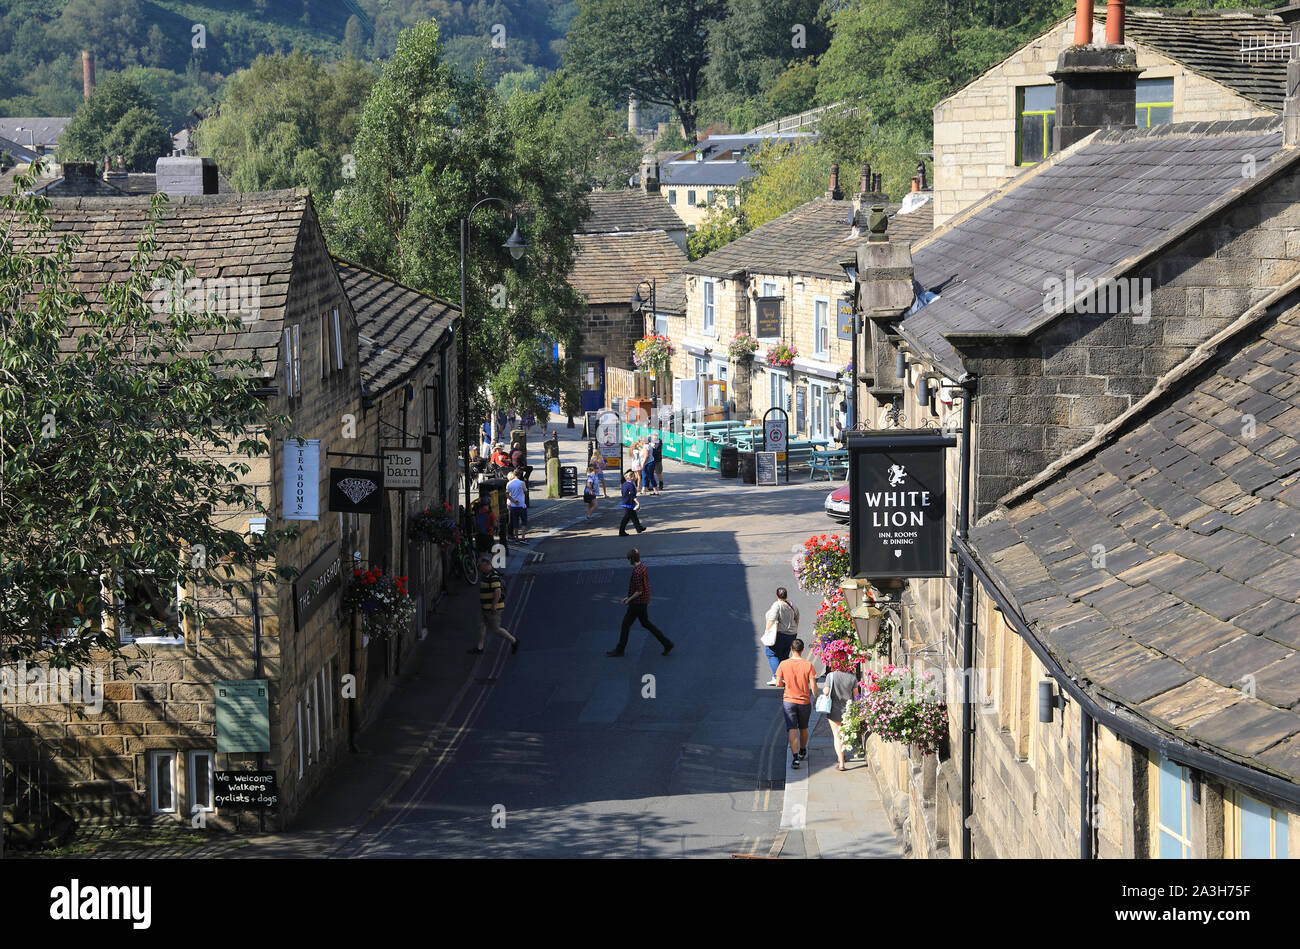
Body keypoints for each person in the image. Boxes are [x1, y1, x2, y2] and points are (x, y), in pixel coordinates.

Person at [606, 548, 673, 657]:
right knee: (646, 623)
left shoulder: (637, 571)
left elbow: (639, 590)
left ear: (632, 559)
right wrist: (627, 596)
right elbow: (641, 588)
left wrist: (629, 599)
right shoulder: (642, 567)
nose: (629, 561)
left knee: (625, 625)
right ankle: (667, 643)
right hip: (644, 601)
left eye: (629, 559)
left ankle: (620, 650)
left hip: (637, 603)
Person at [774, 639, 818, 770]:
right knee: (803, 728)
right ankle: (803, 751)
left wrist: (785, 684)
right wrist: (816, 698)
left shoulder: (783, 664)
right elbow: (814, 686)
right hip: (804, 701)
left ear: (791, 649)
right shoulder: (808, 665)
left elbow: (778, 683)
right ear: (802, 650)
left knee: (791, 729)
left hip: (789, 701)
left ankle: (795, 758)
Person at [469, 556, 519, 655]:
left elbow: (498, 591)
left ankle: (514, 641)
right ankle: (480, 647)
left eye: (480, 566)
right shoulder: (485, 575)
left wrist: (494, 606)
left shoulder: (493, 576)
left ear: (487, 565)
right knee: (481, 625)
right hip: (484, 607)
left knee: (496, 629)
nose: (479, 568)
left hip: (493, 608)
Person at [820, 666, 860, 771]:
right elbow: (856, 696)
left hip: (834, 710)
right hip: (848, 710)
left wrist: (825, 690)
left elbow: (826, 691)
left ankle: (841, 762)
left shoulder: (831, 676)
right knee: (843, 735)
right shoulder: (852, 677)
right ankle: (841, 755)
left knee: (836, 736)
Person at [763, 587, 800, 687]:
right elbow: (797, 617)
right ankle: (785, 676)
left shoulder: (777, 605)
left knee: (772, 654)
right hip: (792, 634)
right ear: (786, 595)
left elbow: (772, 619)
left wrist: (767, 631)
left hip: (779, 634)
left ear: (777, 595)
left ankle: (777, 677)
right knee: (784, 655)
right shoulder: (792, 605)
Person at [618, 469, 646, 536]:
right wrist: (638, 503)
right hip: (629, 503)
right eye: (633, 476)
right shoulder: (631, 485)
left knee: (634, 516)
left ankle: (638, 528)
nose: (635, 477)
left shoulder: (624, 484)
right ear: (630, 478)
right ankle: (621, 531)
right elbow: (633, 495)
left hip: (625, 501)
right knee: (626, 518)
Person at [506, 467, 528, 541]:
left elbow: (507, 495)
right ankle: (523, 537)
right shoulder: (522, 483)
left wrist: (514, 501)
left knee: (515, 522)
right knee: (524, 522)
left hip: (513, 506)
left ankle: (516, 538)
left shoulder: (509, 484)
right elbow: (525, 492)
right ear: (519, 475)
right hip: (522, 505)